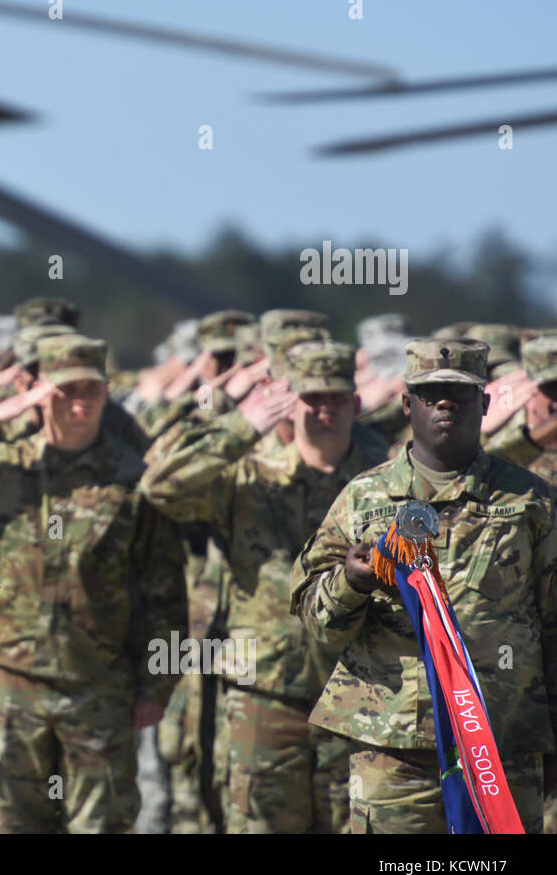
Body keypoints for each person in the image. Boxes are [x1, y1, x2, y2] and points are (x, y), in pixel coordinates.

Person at [0, 333, 186, 833]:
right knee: (4, 822)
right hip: (9, 688)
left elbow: (164, 592)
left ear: (108, 393)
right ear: (42, 392)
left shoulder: (134, 478)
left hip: (99, 689)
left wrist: (157, 687)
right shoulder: (4, 465)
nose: (79, 403)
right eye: (65, 391)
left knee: (102, 824)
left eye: (91, 390)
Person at [291, 338, 557, 833]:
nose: (445, 403)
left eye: (460, 394)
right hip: (393, 746)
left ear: (486, 403)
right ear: (406, 404)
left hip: (500, 744)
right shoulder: (363, 498)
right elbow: (315, 618)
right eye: (431, 392)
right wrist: (351, 580)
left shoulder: (531, 501)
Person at [142, 340, 386, 832]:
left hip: (360, 691)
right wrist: (239, 424)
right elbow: (160, 486)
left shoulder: (383, 477)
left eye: (335, 398)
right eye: (310, 398)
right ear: (288, 402)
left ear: (356, 404)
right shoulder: (248, 475)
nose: (323, 410)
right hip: (265, 694)